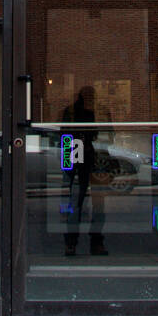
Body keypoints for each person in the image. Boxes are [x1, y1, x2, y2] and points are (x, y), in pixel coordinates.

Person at [62, 86, 107, 256]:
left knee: (79, 199)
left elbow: (65, 135)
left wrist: (68, 165)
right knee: (85, 200)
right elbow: (93, 134)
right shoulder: (85, 113)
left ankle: (74, 243)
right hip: (82, 153)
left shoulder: (73, 112)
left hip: (81, 154)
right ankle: (87, 242)